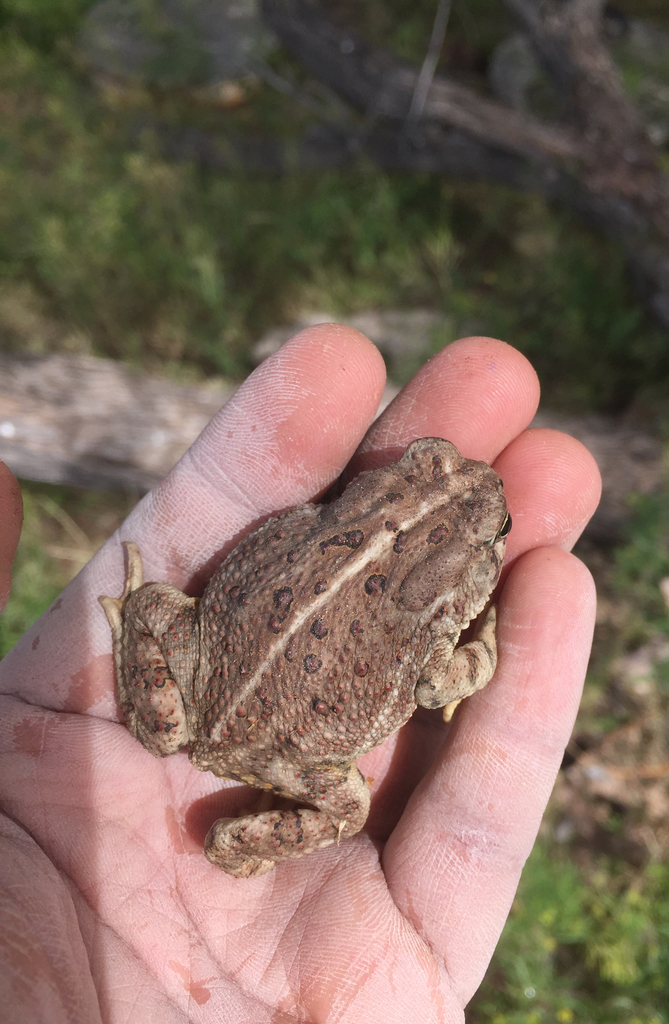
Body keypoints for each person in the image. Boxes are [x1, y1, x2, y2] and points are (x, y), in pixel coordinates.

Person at [0, 328, 600, 1022]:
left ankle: (230, 817)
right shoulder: (436, 616)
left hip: (215, 680)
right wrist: (486, 649)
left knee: (157, 607)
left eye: (491, 533)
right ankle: (238, 845)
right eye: (426, 461)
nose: (465, 474)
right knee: (347, 806)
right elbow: (439, 684)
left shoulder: (375, 539)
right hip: (275, 736)